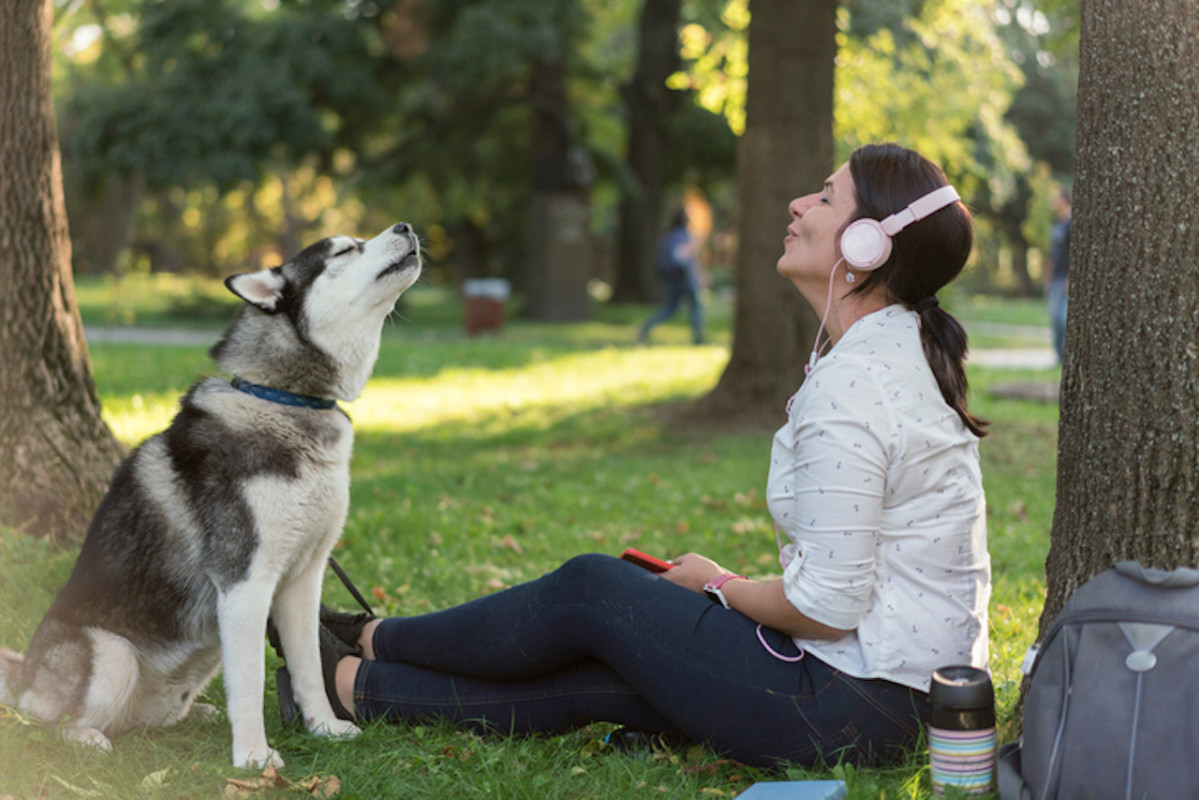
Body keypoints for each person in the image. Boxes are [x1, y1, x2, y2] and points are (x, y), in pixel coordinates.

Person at [275, 143, 991, 770]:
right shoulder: (889, 353)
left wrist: (719, 586)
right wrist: (723, 586)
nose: (800, 203)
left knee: (592, 589)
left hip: (851, 704)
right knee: (610, 671)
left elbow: (827, 607)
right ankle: (352, 688)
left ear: (866, 247)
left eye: (826, 196)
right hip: (891, 708)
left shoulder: (860, 382)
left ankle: (371, 638)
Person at [637, 208, 705, 345]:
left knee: (670, 308)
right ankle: (698, 338)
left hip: (669, 279)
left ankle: (645, 328)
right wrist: (697, 275)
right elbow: (683, 258)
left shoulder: (667, 237)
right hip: (684, 278)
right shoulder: (683, 236)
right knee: (696, 306)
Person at [1046, 187, 1072, 363]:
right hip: (1055, 277)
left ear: (1065, 201)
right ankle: (1058, 355)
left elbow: (1074, 253)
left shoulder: (1071, 225)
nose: (1054, 202)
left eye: (1057, 199)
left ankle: (1064, 354)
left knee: (1061, 317)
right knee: (1053, 316)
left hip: (1065, 278)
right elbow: (1053, 253)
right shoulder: (1056, 224)